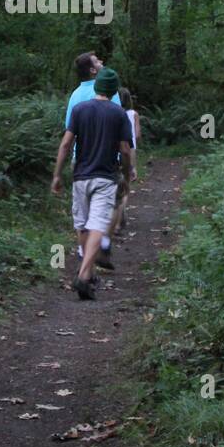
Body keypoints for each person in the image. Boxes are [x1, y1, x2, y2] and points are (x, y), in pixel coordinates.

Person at [51, 67, 133, 300]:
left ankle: (86, 277)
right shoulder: (118, 113)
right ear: (113, 89)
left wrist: (57, 174)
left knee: (82, 226)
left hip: (80, 176)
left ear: (96, 87)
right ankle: (83, 273)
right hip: (106, 177)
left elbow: (66, 144)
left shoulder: (79, 110)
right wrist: (126, 178)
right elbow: (125, 150)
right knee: (98, 225)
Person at [63, 50, 122, 270]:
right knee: (109, 205)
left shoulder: (75, 96)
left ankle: (84, 255)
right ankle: (103, 243)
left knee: (83, 215)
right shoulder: (110, 92)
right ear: (92, 70)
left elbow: (69, 134)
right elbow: (119, 126)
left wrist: (64, 167)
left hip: (81, 161)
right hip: (108, 161)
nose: (102, 62)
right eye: (98, 61)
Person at [109, 87, 140, 237]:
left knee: (117, 186)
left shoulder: (112, 113)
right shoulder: (133, 114)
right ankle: (119, 220)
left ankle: (115, 220)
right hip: (129, 149)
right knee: (125, 186)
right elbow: (137, 134)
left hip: (115, 151)